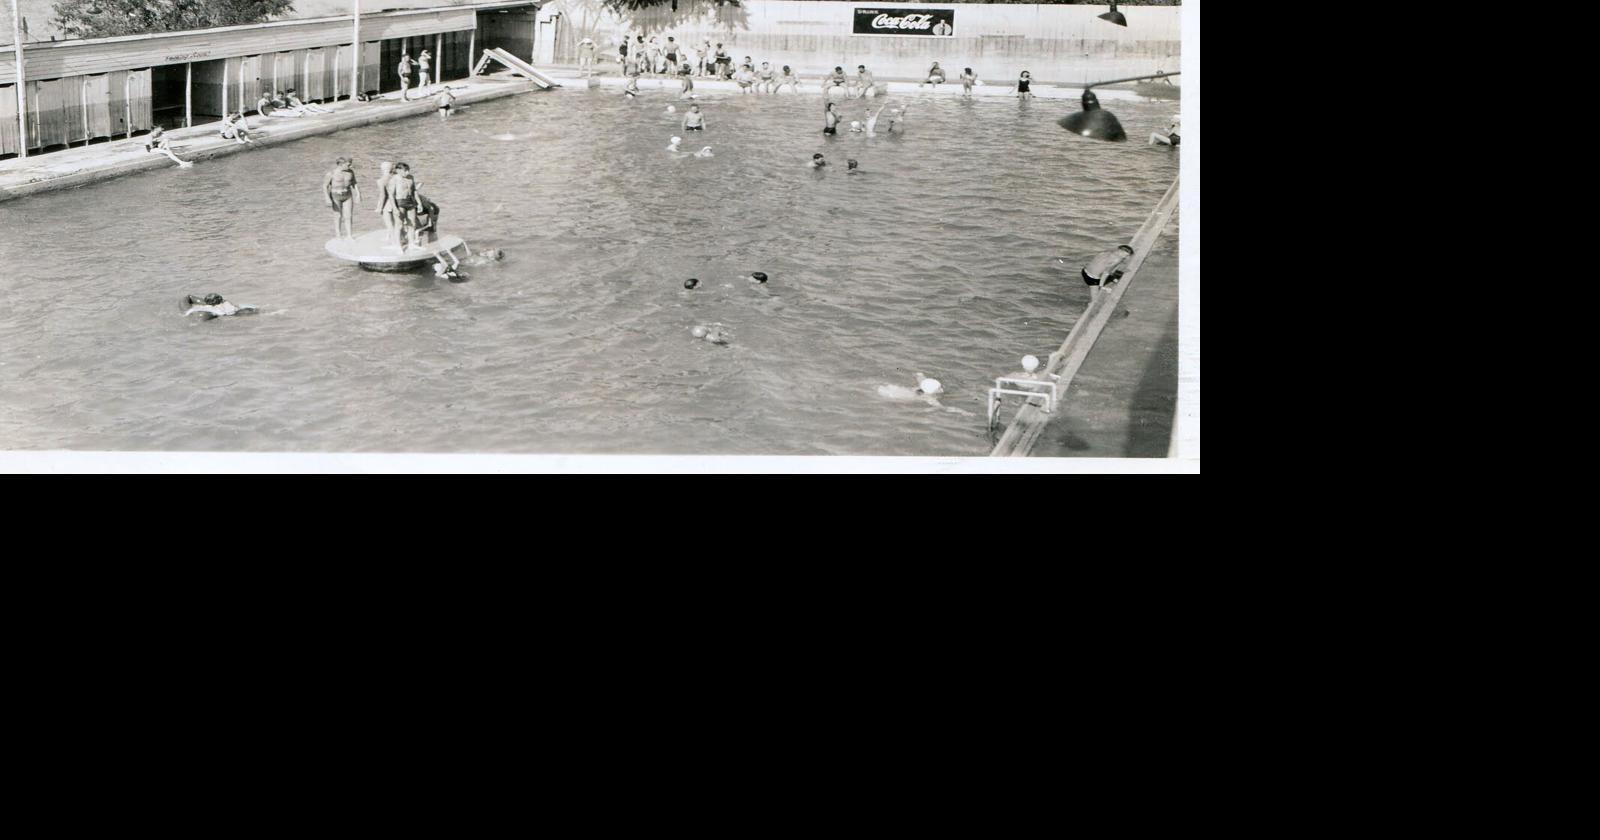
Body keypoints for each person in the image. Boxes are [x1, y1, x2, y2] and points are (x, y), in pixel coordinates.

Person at [385, 162, 421, 250]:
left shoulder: (410, 177)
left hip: (410, 202)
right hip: (400, 202)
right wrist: (395, 208)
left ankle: (412, 243)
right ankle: (398, 245)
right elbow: (391, 195)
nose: (407, 172)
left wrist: (419, 203)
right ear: (398, 170)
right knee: (399, 225)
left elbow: (414, 191)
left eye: (408, 170)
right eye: (405, 171)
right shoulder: (394, 179)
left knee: (412, 224)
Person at [325, 157, 361, 240]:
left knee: (348, 216)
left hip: (347, 195)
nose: (350, 166)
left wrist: (358, 194)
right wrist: (327, 197)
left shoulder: (350, 172)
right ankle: (338, 235)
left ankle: (349, 235)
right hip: (335, 195)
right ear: (341, 165)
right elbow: (325, 186)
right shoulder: (331, 174)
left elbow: (354, 183)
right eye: (348, 165)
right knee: (338, 216)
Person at [183, 293, 257, 319]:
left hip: (223, 314)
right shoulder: (227, 302)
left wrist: (187, 313)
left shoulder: (210, 307)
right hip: (235, 311)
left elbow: (193, 310)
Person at [375, 160, 396, 242]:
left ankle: (394, 241)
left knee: (388, 222)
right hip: (396, 201)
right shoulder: (395, 177)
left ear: (382, 169)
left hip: (388, 203)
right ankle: (389, 236)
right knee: (395, 221)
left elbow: (383, 196)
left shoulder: (381, 180)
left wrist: (379, 207)